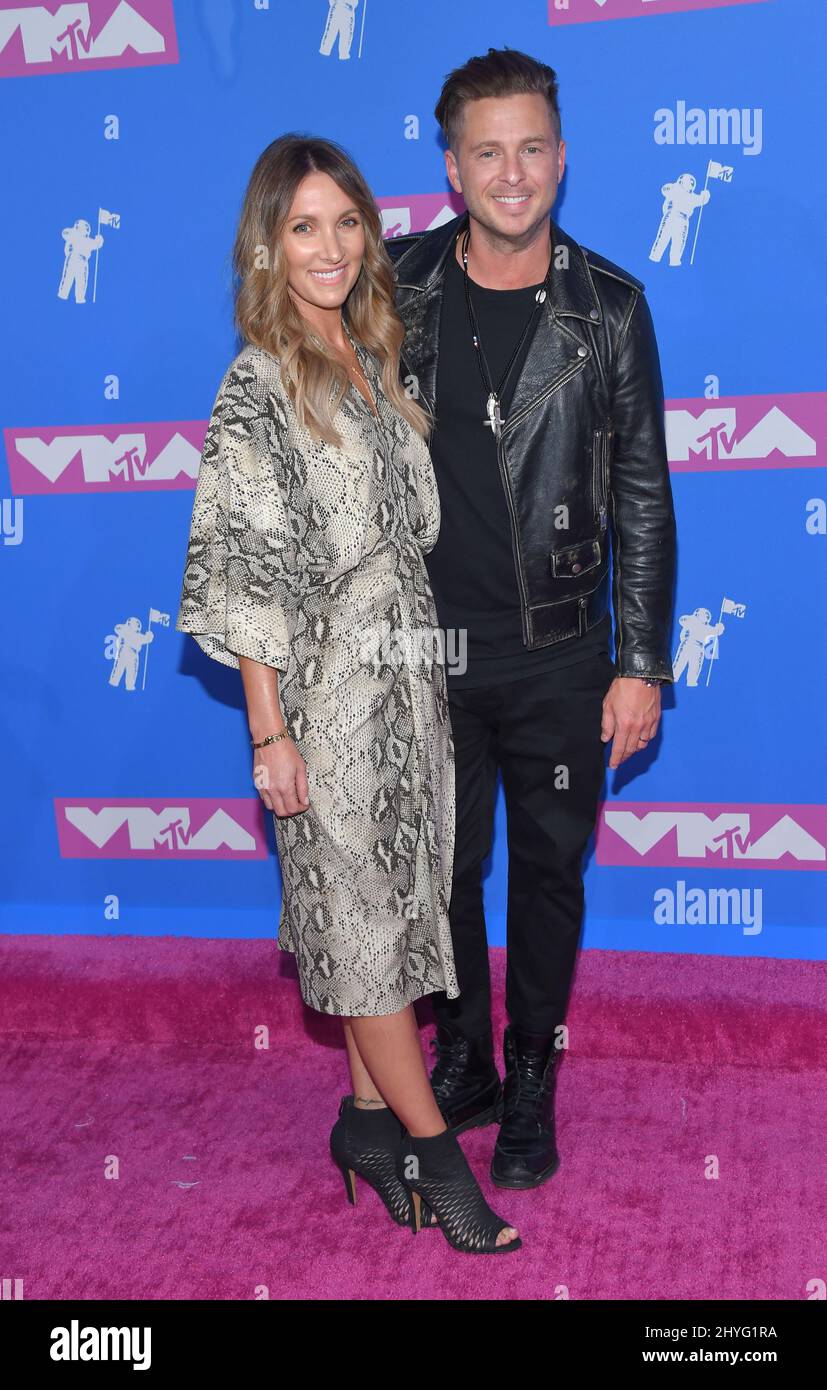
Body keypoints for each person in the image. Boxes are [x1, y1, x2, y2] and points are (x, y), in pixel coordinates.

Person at [175, 134, 520, 1253]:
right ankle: (435, 1155)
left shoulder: (373, 353)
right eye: (301, 226)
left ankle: (368, 1124)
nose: (328, 247)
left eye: (344, 222)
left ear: (369, 232)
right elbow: (242, 568)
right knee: (364, 929)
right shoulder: (259, 382)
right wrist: (268, 734)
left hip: (407, 685)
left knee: (407, 910)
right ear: (267, 247)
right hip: (324, 698)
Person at [385, 49, 677, 1190]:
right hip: (422, 648)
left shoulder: (608, 309)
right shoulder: (391, 286)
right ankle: (462, 1057)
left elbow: (643, 491)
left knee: (547, 880)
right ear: (451, 165)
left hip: (558, 653)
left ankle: (533, 1072)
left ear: (561, 155)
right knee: (441, 872)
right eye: (488, 152)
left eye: (533, 148)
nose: (514, 174)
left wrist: (640, 659)